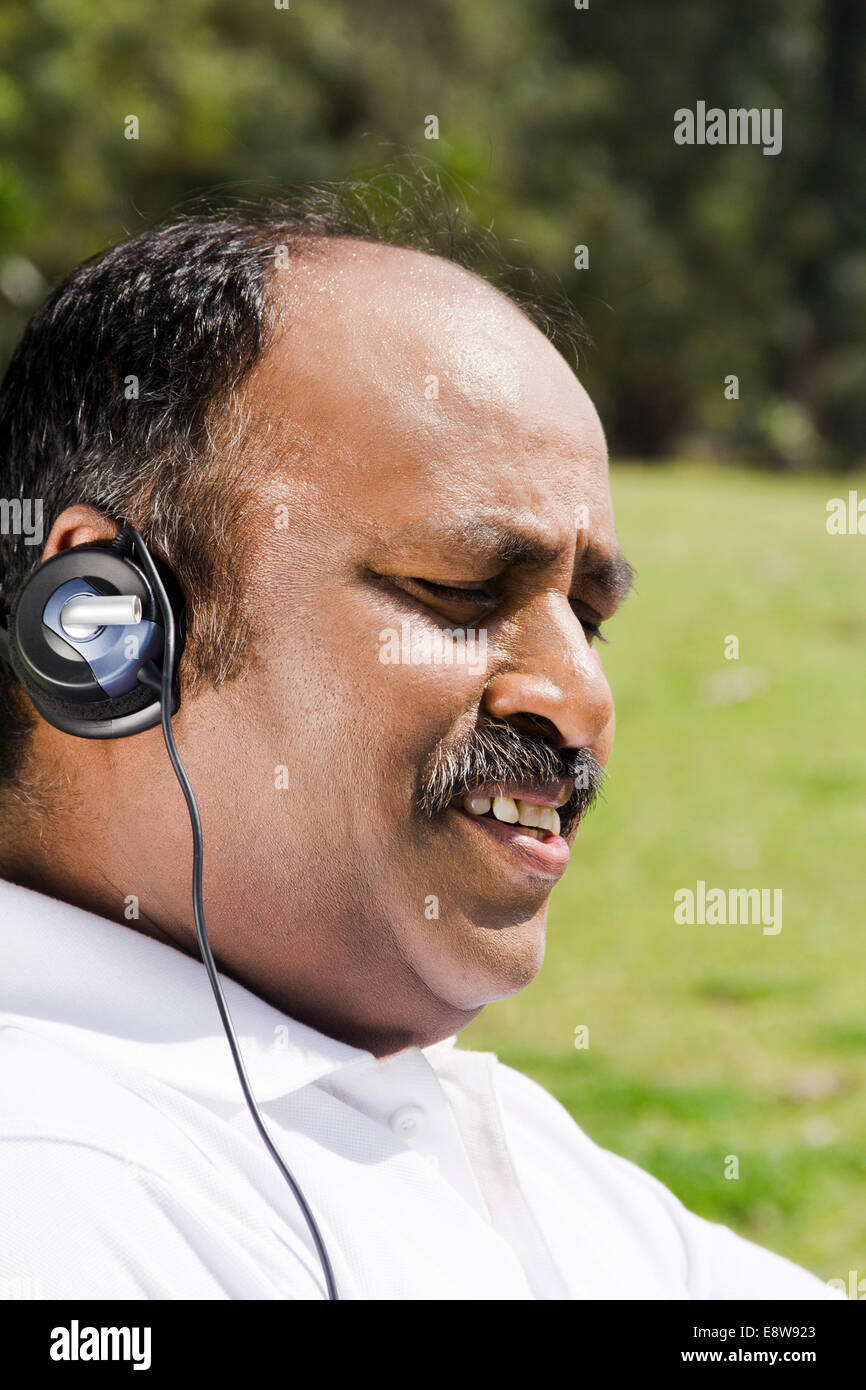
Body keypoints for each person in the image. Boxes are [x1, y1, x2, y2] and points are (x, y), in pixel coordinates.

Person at [0, 201, 840, 1299]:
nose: (579, 698)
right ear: (108, 626)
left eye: (585, 615)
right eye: (456, 591)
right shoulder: (59, 1195)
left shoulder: (462, 1119)